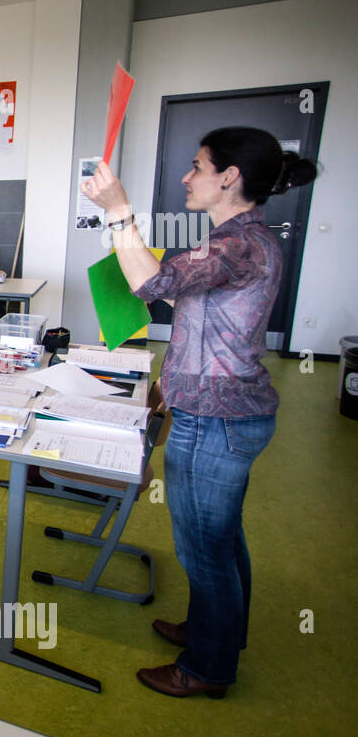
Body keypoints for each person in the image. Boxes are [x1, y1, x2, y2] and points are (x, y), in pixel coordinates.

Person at [80, 126, 317, 699]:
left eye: (197, 166)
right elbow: (188, 310)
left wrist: (118, 212)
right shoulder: (238, 241)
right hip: (213, 408)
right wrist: (167, 381)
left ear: (229, 178)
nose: (186, 177)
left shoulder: (239, 246)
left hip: (217, 420)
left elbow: (153, 283)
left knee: (204, 547)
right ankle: (214, 632)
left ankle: (208, 668)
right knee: (222, 539)